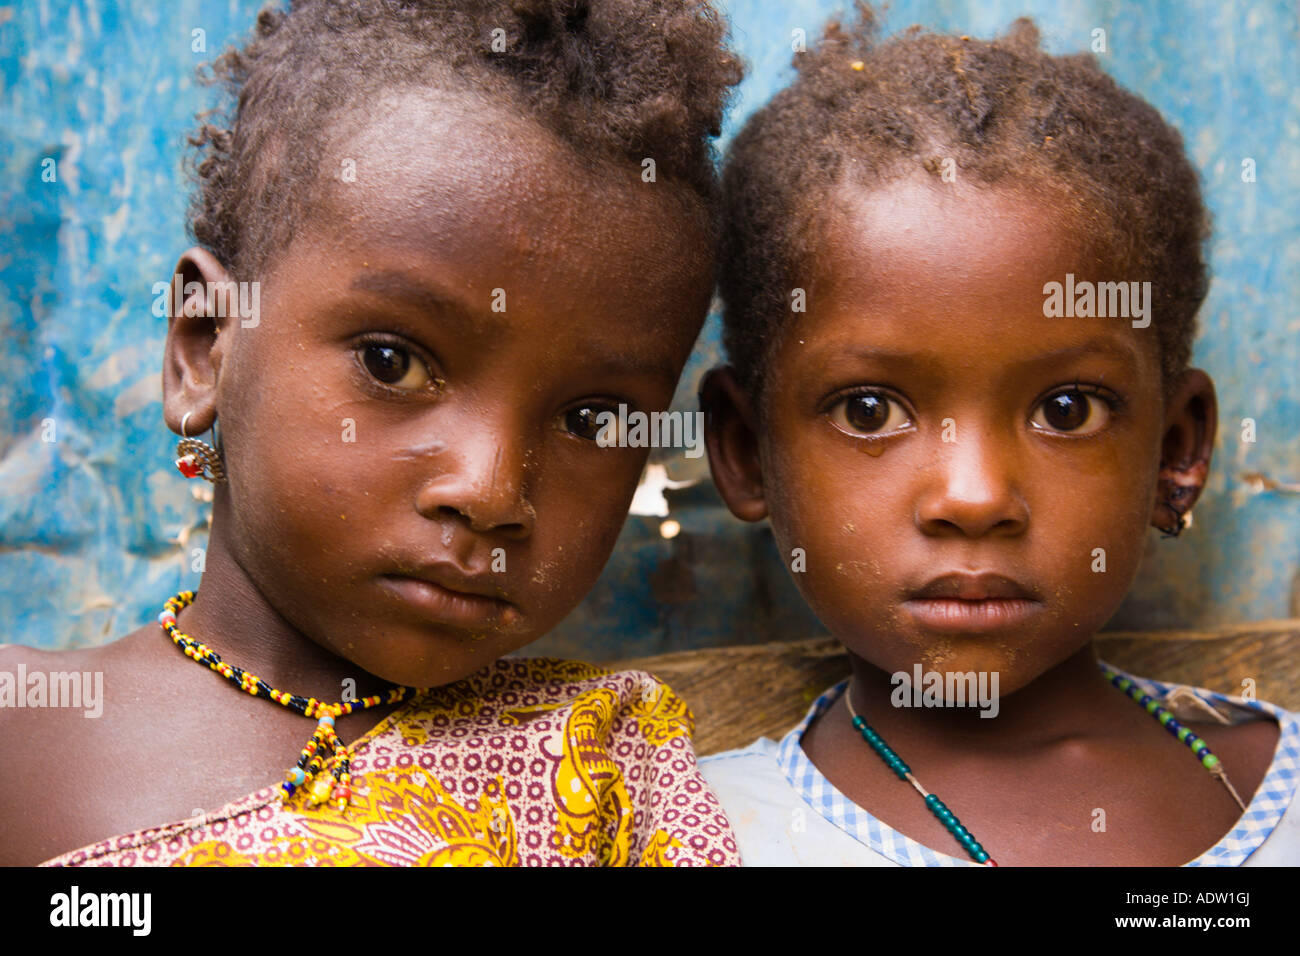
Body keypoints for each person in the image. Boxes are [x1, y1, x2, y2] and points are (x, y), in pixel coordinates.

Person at [0, 0, 744, 867]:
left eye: (591, 419)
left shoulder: (605, 767)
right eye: (393, 363)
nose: (490, 490)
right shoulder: (27, 730)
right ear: (205, 348)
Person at [698, 5, 1298, 866]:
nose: (974, 497)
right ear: (747, 452)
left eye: (1067, 410)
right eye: (870, 411)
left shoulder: (1281, 796)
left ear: (1176, 453)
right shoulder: (701, 833)